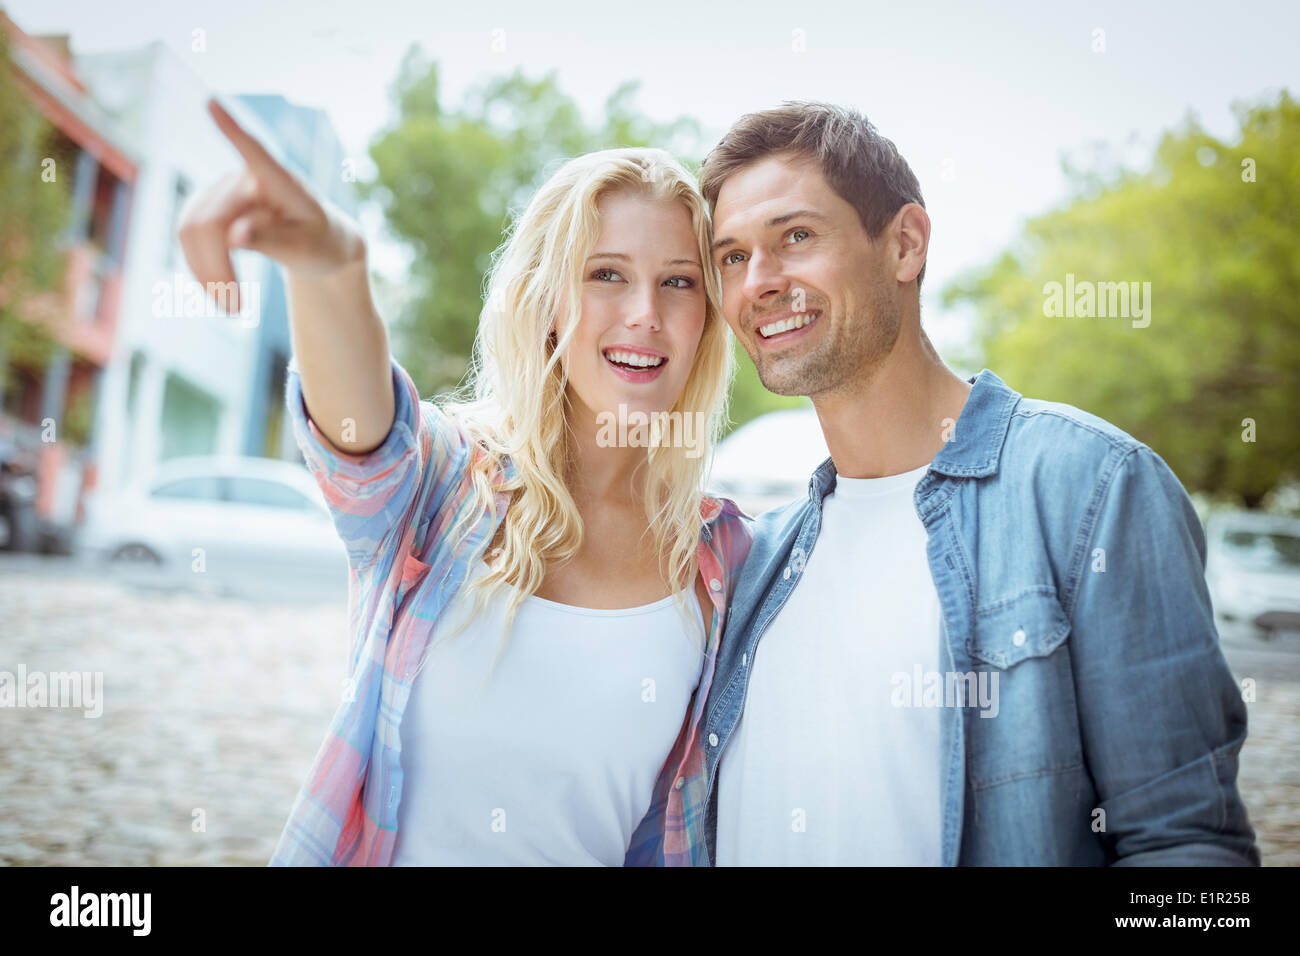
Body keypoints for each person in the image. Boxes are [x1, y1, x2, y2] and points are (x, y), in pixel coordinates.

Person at [178, 98, 751, 866]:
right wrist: (332, 269)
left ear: (707, 319)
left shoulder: (723, 560)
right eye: (606, 274)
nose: (644, 313)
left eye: (678, 283)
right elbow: (359, 436)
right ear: (548, 302)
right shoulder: (448, 486)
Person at [686, 101, 1260, 865]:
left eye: (796, 236)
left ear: (905, 244)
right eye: (731, 257)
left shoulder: (1090, 489)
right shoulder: (756, 559)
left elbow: (1185, 848)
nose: (759, 281)